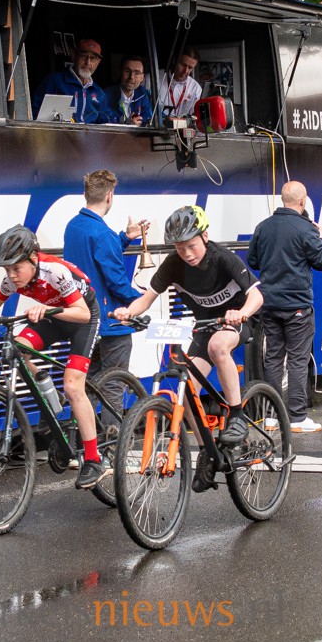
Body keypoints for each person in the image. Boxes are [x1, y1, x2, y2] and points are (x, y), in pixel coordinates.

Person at [113, 205, 263, 493]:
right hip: (205, 326)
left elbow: (257, 295)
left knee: (220, 345)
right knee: (187, 391)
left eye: (192, 246)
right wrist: (129, 312)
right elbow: (148, 297)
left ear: (205, 236)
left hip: (238, 321)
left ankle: (237, 417)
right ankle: (208, 448)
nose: (188, 254)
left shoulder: (223, 258)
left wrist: (241, 312)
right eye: (180, 249)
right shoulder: (173, 263)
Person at [0, 225, 109, 489]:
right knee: (15, 348)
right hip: (53, 316)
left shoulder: (55, 272)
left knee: (73, 385)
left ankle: (94, 460)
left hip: (81, 318)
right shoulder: (14, 278)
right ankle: (49, 389)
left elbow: (82, 313)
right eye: (6, 270)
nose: (11, 276)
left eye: (16, 269)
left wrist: (49, 308)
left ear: (33, 259)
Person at [247, 181, 322, 433]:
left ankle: (272, 416)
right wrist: (321, 238)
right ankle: (297, 417)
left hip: (269, 303)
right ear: (302, 202)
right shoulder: (306, 229)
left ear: (282, 199)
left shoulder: (263, 227)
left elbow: (252, 260)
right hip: (297, 306)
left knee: (273, 358)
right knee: (297, 359)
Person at [63, 169, 148, 378]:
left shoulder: (73, 226)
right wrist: (142, 300)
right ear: (109, 196)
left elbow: (93, 258)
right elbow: (116, 282)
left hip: (84, 324)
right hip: (111, 325)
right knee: (113, 387)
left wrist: (126, 237)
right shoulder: (103, 234)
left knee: (86, 389)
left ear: (85, 194)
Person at [32, 38, 112, 125]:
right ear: (73, 55)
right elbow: (34, 112)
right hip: (60, 136)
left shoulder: (98, 92)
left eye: (93, 58)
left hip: (89, 137)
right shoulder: (54, 81)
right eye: (83, 56)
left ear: (98, 62)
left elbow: (107, 120)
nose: (88, 62)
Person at [104, 55, 153, 126]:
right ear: (120, 72)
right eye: (127, 71)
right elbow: (103, 123)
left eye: (137, 73)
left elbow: (149, 117)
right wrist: (127, 124)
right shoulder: (105, 95)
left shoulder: (142, 93)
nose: (131, 77)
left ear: (142, 77)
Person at [157, 47, 202, 118]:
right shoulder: (153, 78)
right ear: (174, 60)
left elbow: (194, 117)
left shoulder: (195, 88)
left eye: (190, 68)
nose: (186, 71)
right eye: (183, 65)